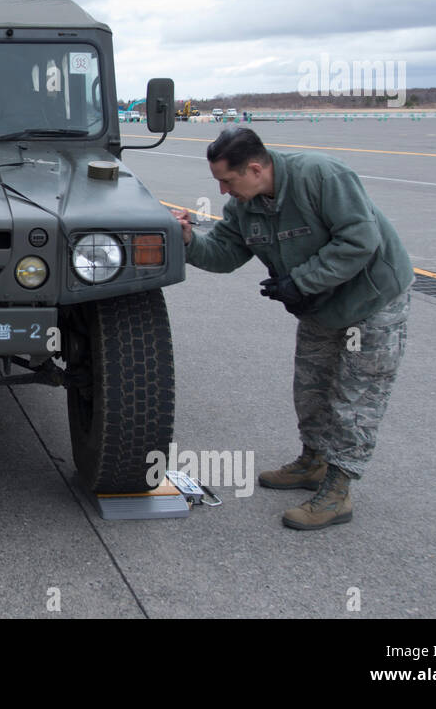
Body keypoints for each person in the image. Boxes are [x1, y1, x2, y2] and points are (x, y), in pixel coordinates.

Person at [172, 127, 413, 530]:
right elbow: (225, 254)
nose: (224, 192)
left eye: (228, 181)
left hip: (372, 300)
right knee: (311, 388)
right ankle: (313, 463)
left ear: (254, 168)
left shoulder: (321, 177)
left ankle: (337, 492)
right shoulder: (244, 207)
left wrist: (300, 281)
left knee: (355, 399)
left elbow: (359, 239)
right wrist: (188, 240)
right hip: (321, 305)